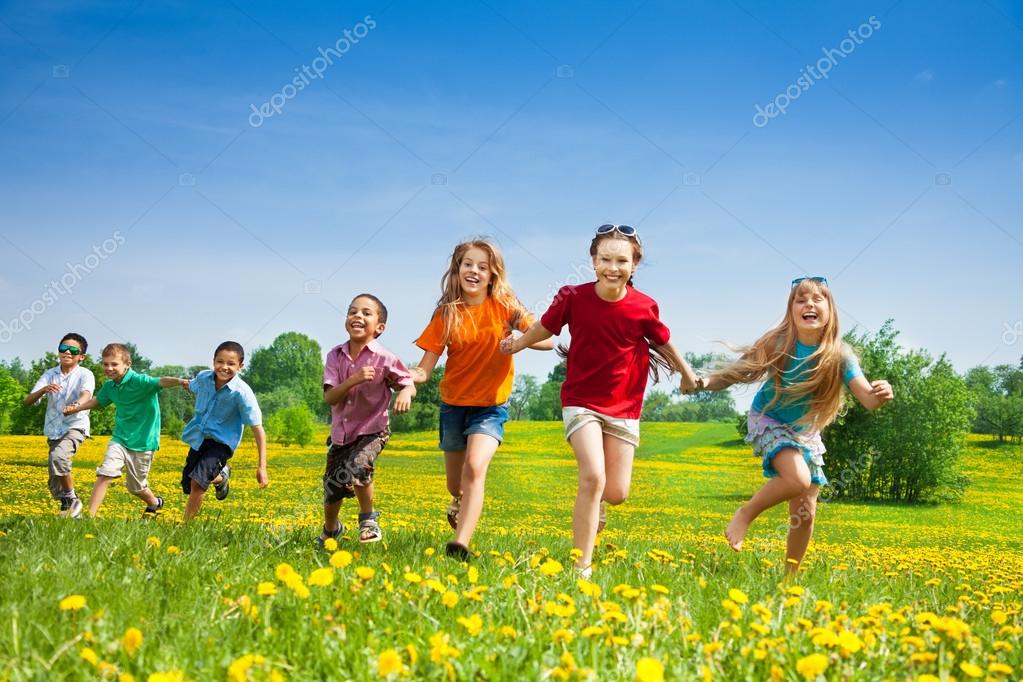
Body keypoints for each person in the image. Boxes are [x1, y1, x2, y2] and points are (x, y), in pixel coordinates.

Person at [502, 224, 698, 577]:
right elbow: (545, 328)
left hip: (624, 405)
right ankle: (582, 567)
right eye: (605, 259)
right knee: (592, 476)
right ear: (593, 262)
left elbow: (664, 342)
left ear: (634, 264)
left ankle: (599, 508)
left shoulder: (643, 307)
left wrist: (685, 372)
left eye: (621, 260)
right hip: (580, 400)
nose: (613, 267)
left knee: (617, 491)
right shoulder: (572, 298)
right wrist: (517, 344)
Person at [700, 276, 893, 572]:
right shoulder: (779, 343)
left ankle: (790, 579)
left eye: (818, 299)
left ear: (831, 310)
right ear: (791, 311)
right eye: (800, 300)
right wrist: (703, 382)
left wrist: (881, 393)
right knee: (797, 479)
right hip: (769, 419)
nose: (809, 304)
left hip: (806, 432)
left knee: (806, 511)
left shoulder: (840, 356)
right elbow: (738, 373)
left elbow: (868, 399)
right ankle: (745, 514)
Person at [413, 239, 553, 559]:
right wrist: (407, 379)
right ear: (457, 269)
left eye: (482, 266)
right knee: (456, 484)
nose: (474, 271)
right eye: (468, 264)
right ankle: (458, 500)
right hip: (454, 404)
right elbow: (425, 368)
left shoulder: (505, 306)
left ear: (493, 275)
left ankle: (460, 544)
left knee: (475, 468)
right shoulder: (447, 314)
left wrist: (518, 342)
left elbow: (545, 339)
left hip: (490, 407)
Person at [321, 294, 415, 545]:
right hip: (341, 434)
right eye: (353, 311)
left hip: (373, 429)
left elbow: (407, 381)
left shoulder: (385, 358)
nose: (357, 317)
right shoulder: (334, 356)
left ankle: (368, 519)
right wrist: (354, 379)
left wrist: (405, 391)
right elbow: (330, 397)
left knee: (360, 465)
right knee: (333, 487)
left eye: (366, 313)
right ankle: (331, 530)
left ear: (380, 327)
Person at [64, 343, 187, 517]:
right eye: (106, 364)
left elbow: (161, 381)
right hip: (120, 438)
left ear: (127, 364)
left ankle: (154, 503)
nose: (109, 368)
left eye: (114, 364)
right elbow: (98, 401)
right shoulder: (110, 386)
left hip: (144, 442)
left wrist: (180, 381)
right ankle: (88, 517)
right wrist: (77, 408)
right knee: (105, 473)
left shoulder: (140, 381)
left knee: (136, 487)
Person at [180, 341, 268, 521]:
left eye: (231, 363)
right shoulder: (204, 378)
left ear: (240, 366)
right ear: (213, 361)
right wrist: (181, 383)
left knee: (198, 483)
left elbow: (257, 429)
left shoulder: (242, 393)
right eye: (220, 362)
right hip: (200, 438)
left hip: (222, 443)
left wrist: (262, 466)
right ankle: (221, 476)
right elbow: (192, 385)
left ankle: (185, 527)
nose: (224, 367)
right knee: (188, 483)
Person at [24, 333, 95, 518]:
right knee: (55, 480)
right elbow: (28, 401)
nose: (67, 352)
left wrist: (76, 406)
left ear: (81, 356)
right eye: (63, 348)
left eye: (73, 350)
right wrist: (43, 390)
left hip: (75, 425)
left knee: (59, 457)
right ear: (59, 351)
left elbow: (86, 394)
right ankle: (70, 509)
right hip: (54, 429)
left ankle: (72, 499)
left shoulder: (85, 374)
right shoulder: (50, 374)